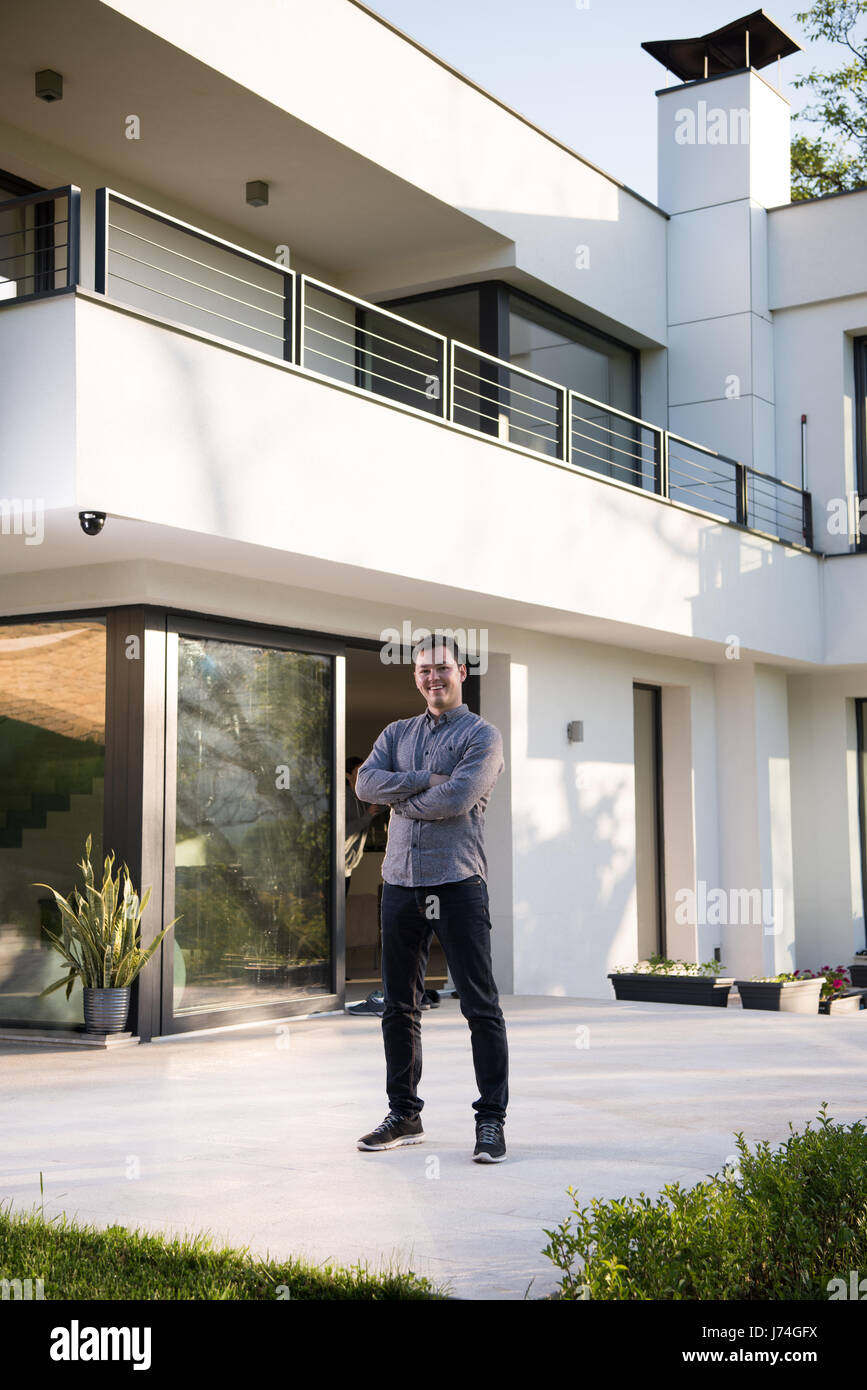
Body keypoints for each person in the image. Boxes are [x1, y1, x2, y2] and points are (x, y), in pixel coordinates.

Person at [354, 633, 509, 1163]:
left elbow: (458, 798)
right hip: (399, 883)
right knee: (398, 1006)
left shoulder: (482, 736)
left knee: (479, 1005)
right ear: (415, 676)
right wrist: (422, 780)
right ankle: (405, 1114)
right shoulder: (396, 732)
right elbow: (366, 786)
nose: (432, 678)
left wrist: (401, 801)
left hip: (458, 882)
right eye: (423, 671)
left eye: (441, 668)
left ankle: (490, 1121)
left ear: (461, 671)